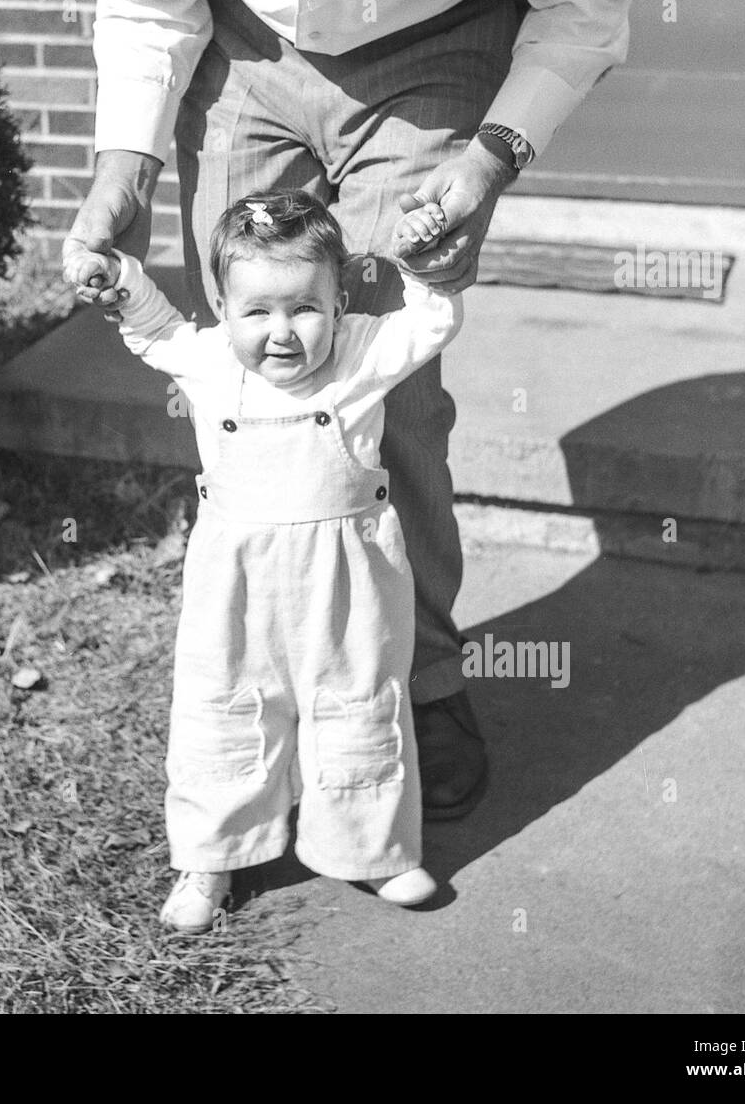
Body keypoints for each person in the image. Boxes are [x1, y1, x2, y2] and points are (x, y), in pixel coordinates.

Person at [63, 0, 650, 817]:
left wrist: (490, 158)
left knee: (380, 380)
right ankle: (272, 681)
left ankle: (413, 684)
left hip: (441, 32)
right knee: (256, 367)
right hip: (240, 40)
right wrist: (126, 164)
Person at [69, 190, 461, 931]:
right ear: (222, 304)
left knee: (360, 703)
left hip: (346, 586)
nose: (282, 332)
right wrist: (114, 277)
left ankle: (373, 848)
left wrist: (421, 261)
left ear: (340, 300)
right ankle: (210, 855)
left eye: (304, 308)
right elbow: (152, 327)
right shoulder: (211, 361)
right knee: (223, 707)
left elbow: (434, 320)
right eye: (257, 312)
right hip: (236, 587)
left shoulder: (361, 352)